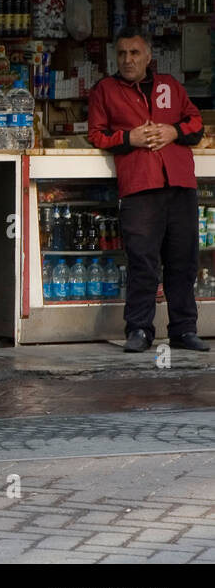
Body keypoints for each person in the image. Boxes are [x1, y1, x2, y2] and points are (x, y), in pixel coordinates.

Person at [87, 28, 209, 353]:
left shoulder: (170, 85)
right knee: (143, 262)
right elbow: (97, 135)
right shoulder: (105, 90)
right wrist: (130, 139)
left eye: (135, 53)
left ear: (148, 57)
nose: (128, 60)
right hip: (140, 185)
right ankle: (139, 330)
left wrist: (173, 131)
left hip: (179, 183)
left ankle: (184, 330)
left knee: (183, 260)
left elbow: (196, 123)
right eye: (123, 54)